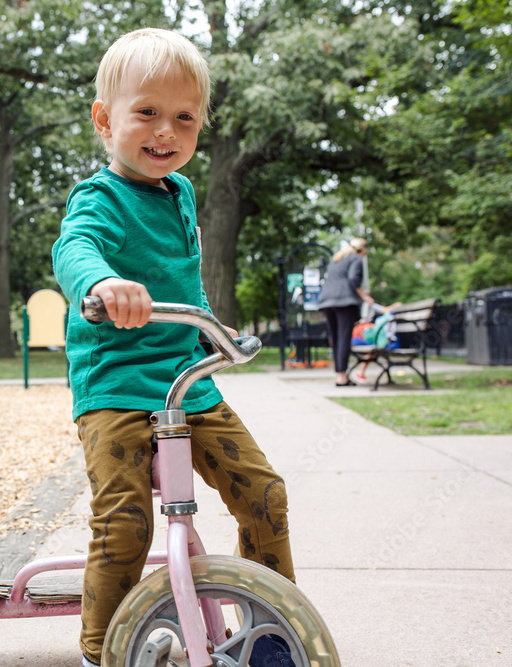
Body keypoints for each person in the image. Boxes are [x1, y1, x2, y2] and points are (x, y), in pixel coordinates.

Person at [52, 28, 295, 667]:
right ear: (105, 120)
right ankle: (100, 650)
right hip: (117, 384)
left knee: (264, 492)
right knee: (126, 523)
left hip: (189, 380)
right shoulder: (98, 197)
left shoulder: (182, 192)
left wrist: (214, 329)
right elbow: (73, 248)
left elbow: (181, 282)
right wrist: (100, 282)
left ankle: (272, 630)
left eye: (184, 118)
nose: (167, 131)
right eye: (148, 113)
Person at [317, 238, 374, 386]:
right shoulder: (356, 258)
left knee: (336, 339)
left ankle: (340, 375)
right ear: (362, 250)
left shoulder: (337, 259)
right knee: (343, 338)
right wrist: (365, 296)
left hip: (327, 301)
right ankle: (342, 377)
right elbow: (353, 279)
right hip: (343, 301)